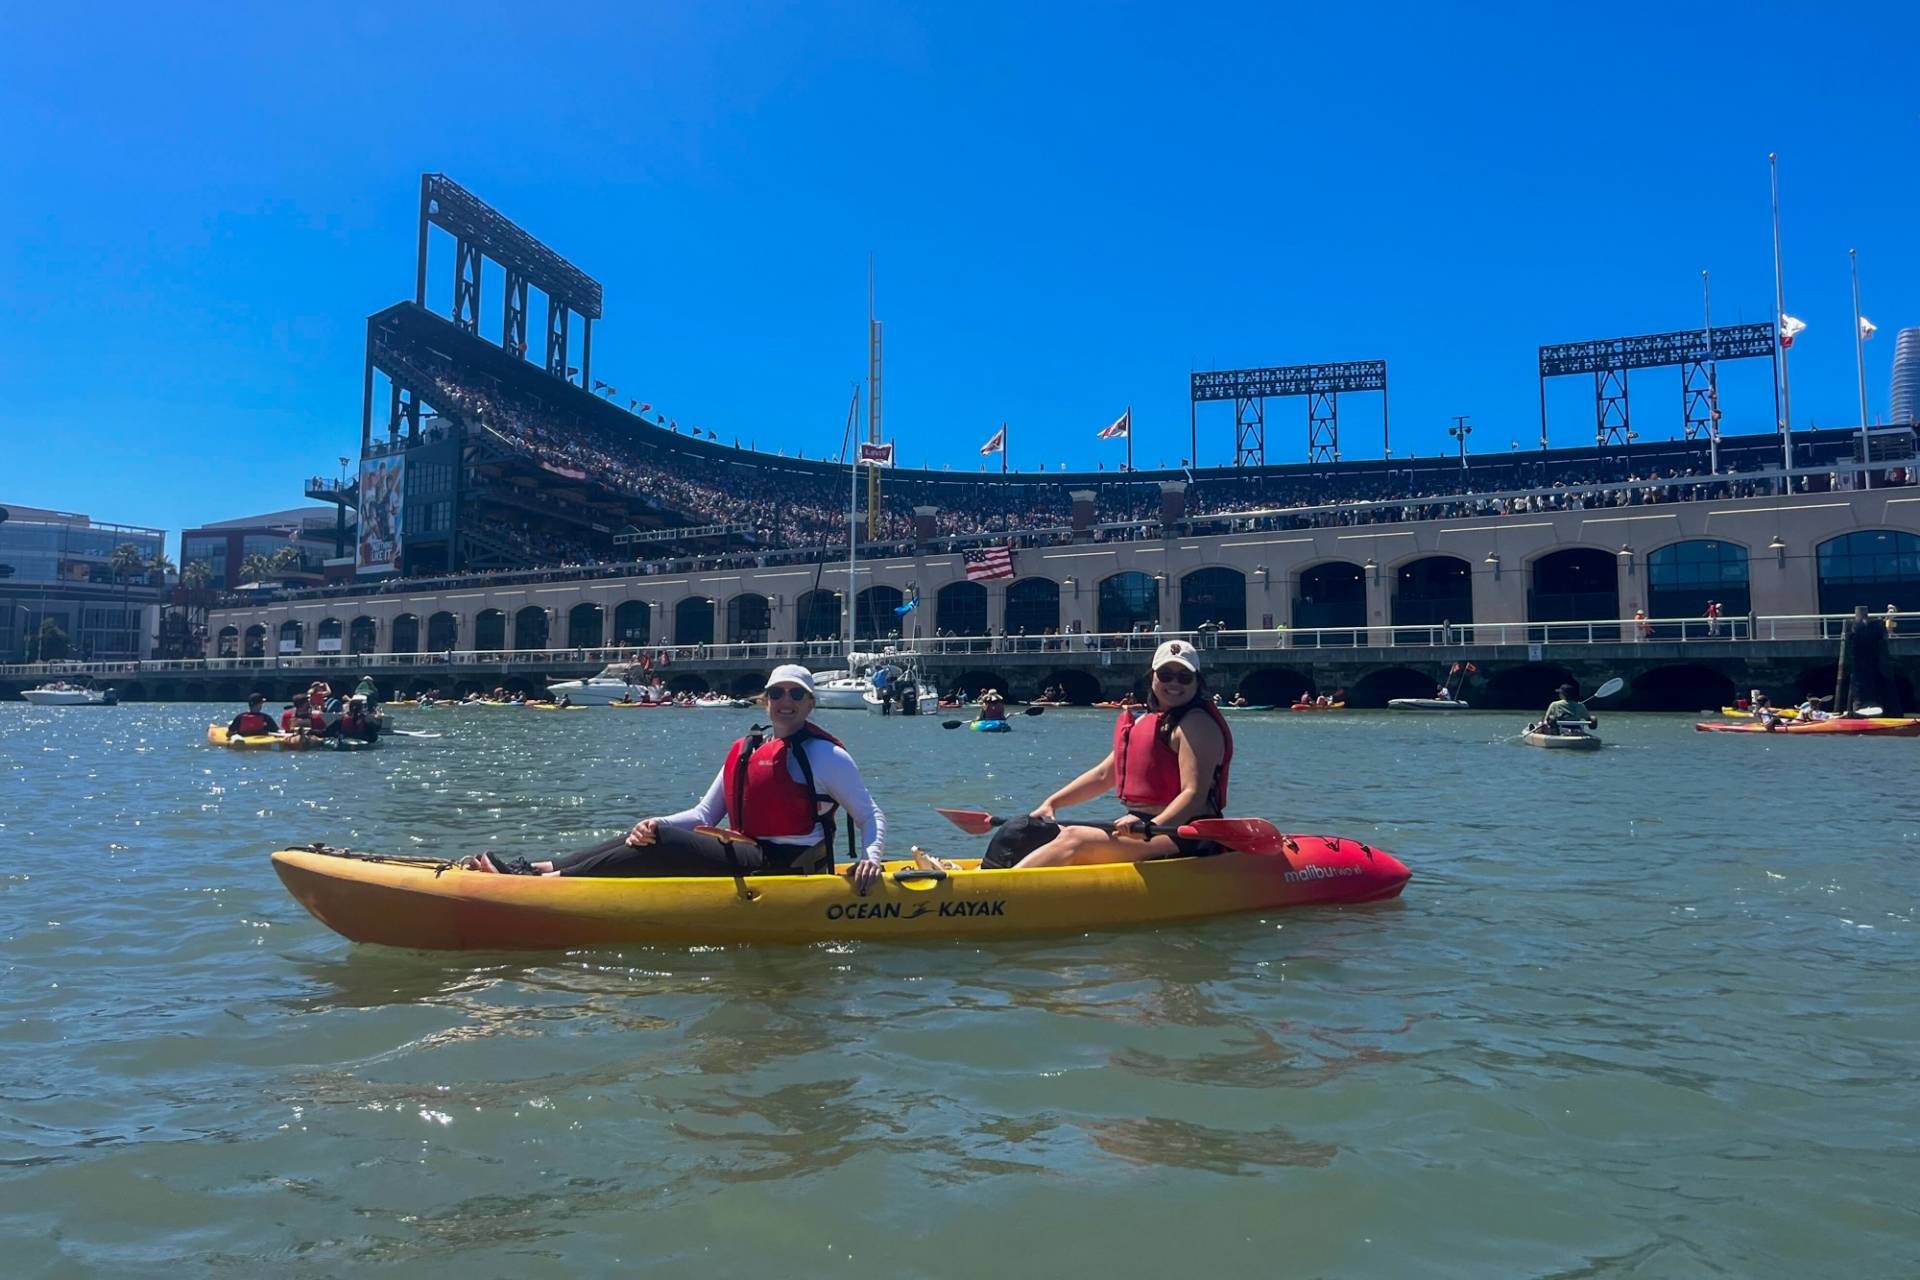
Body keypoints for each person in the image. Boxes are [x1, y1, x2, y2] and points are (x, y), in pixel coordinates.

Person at [464, 666, 888, 891]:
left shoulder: (826, 755)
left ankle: (543, 887)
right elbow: (706, 813)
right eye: (777, 694)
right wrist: (658, 822)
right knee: (645, 835)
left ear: (811, 703)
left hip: (786, 868)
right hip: (747, 852)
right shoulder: (748, 750)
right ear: (765, 701)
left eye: (796, 694)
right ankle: (538, 869)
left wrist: (870, 858)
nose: (786, 702)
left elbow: (869, 815)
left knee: (661, 842)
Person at [987, 640, 1232, 869]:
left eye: (1184, 677)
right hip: (1141, 828)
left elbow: (1194, 793)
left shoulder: (1197, 724)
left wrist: (1150, 825)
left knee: (1075, 838)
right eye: (1166, 675)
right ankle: (986, 878)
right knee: (1027, 829)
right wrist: (1052, 803)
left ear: (1197, 683)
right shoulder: (1145, 721)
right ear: (1153, 678)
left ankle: (994, 893)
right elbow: (1105, 774)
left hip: (1182, 835)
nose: (1174, 684)